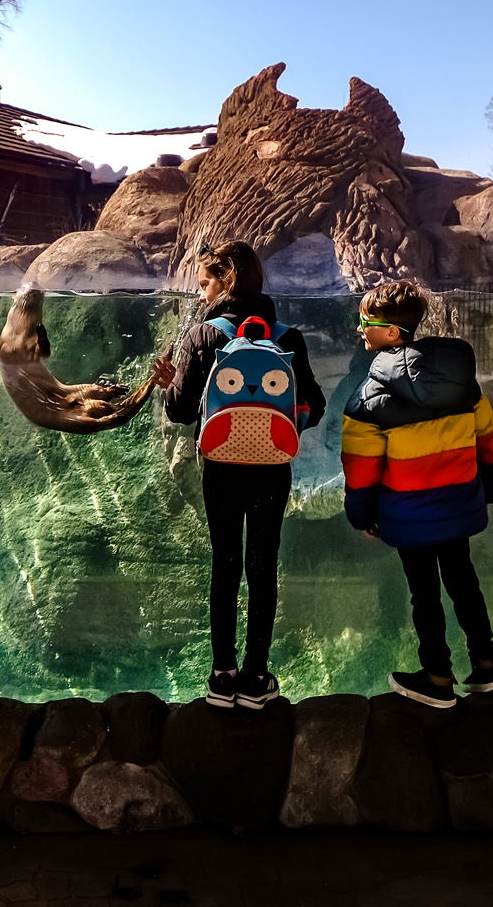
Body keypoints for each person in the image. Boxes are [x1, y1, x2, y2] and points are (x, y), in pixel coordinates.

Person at [153, 240, 326, 710]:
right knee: (263, 566)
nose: (202, 293)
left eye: (206, 283)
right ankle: (255, 677)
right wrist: (279, 427)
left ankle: (220, 674)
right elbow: (314, 405)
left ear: (226, 279)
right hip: (272, 470)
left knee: (226, 564)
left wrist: (171, 389)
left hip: (221, 469)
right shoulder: (287, 335)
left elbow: (185, 412)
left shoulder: (204, 336)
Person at [339, 281, 493, 708]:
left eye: (365, 323)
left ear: (392, 334)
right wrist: (485, 488)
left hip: (408, 513)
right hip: (458, 504)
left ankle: (437, 676)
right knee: (464, 583)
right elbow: (487, 439)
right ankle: (489, 666)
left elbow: (360, 468)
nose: (359, 329)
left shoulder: (369, 397)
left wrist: (363, 516)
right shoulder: (463, 384)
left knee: (425, 594)